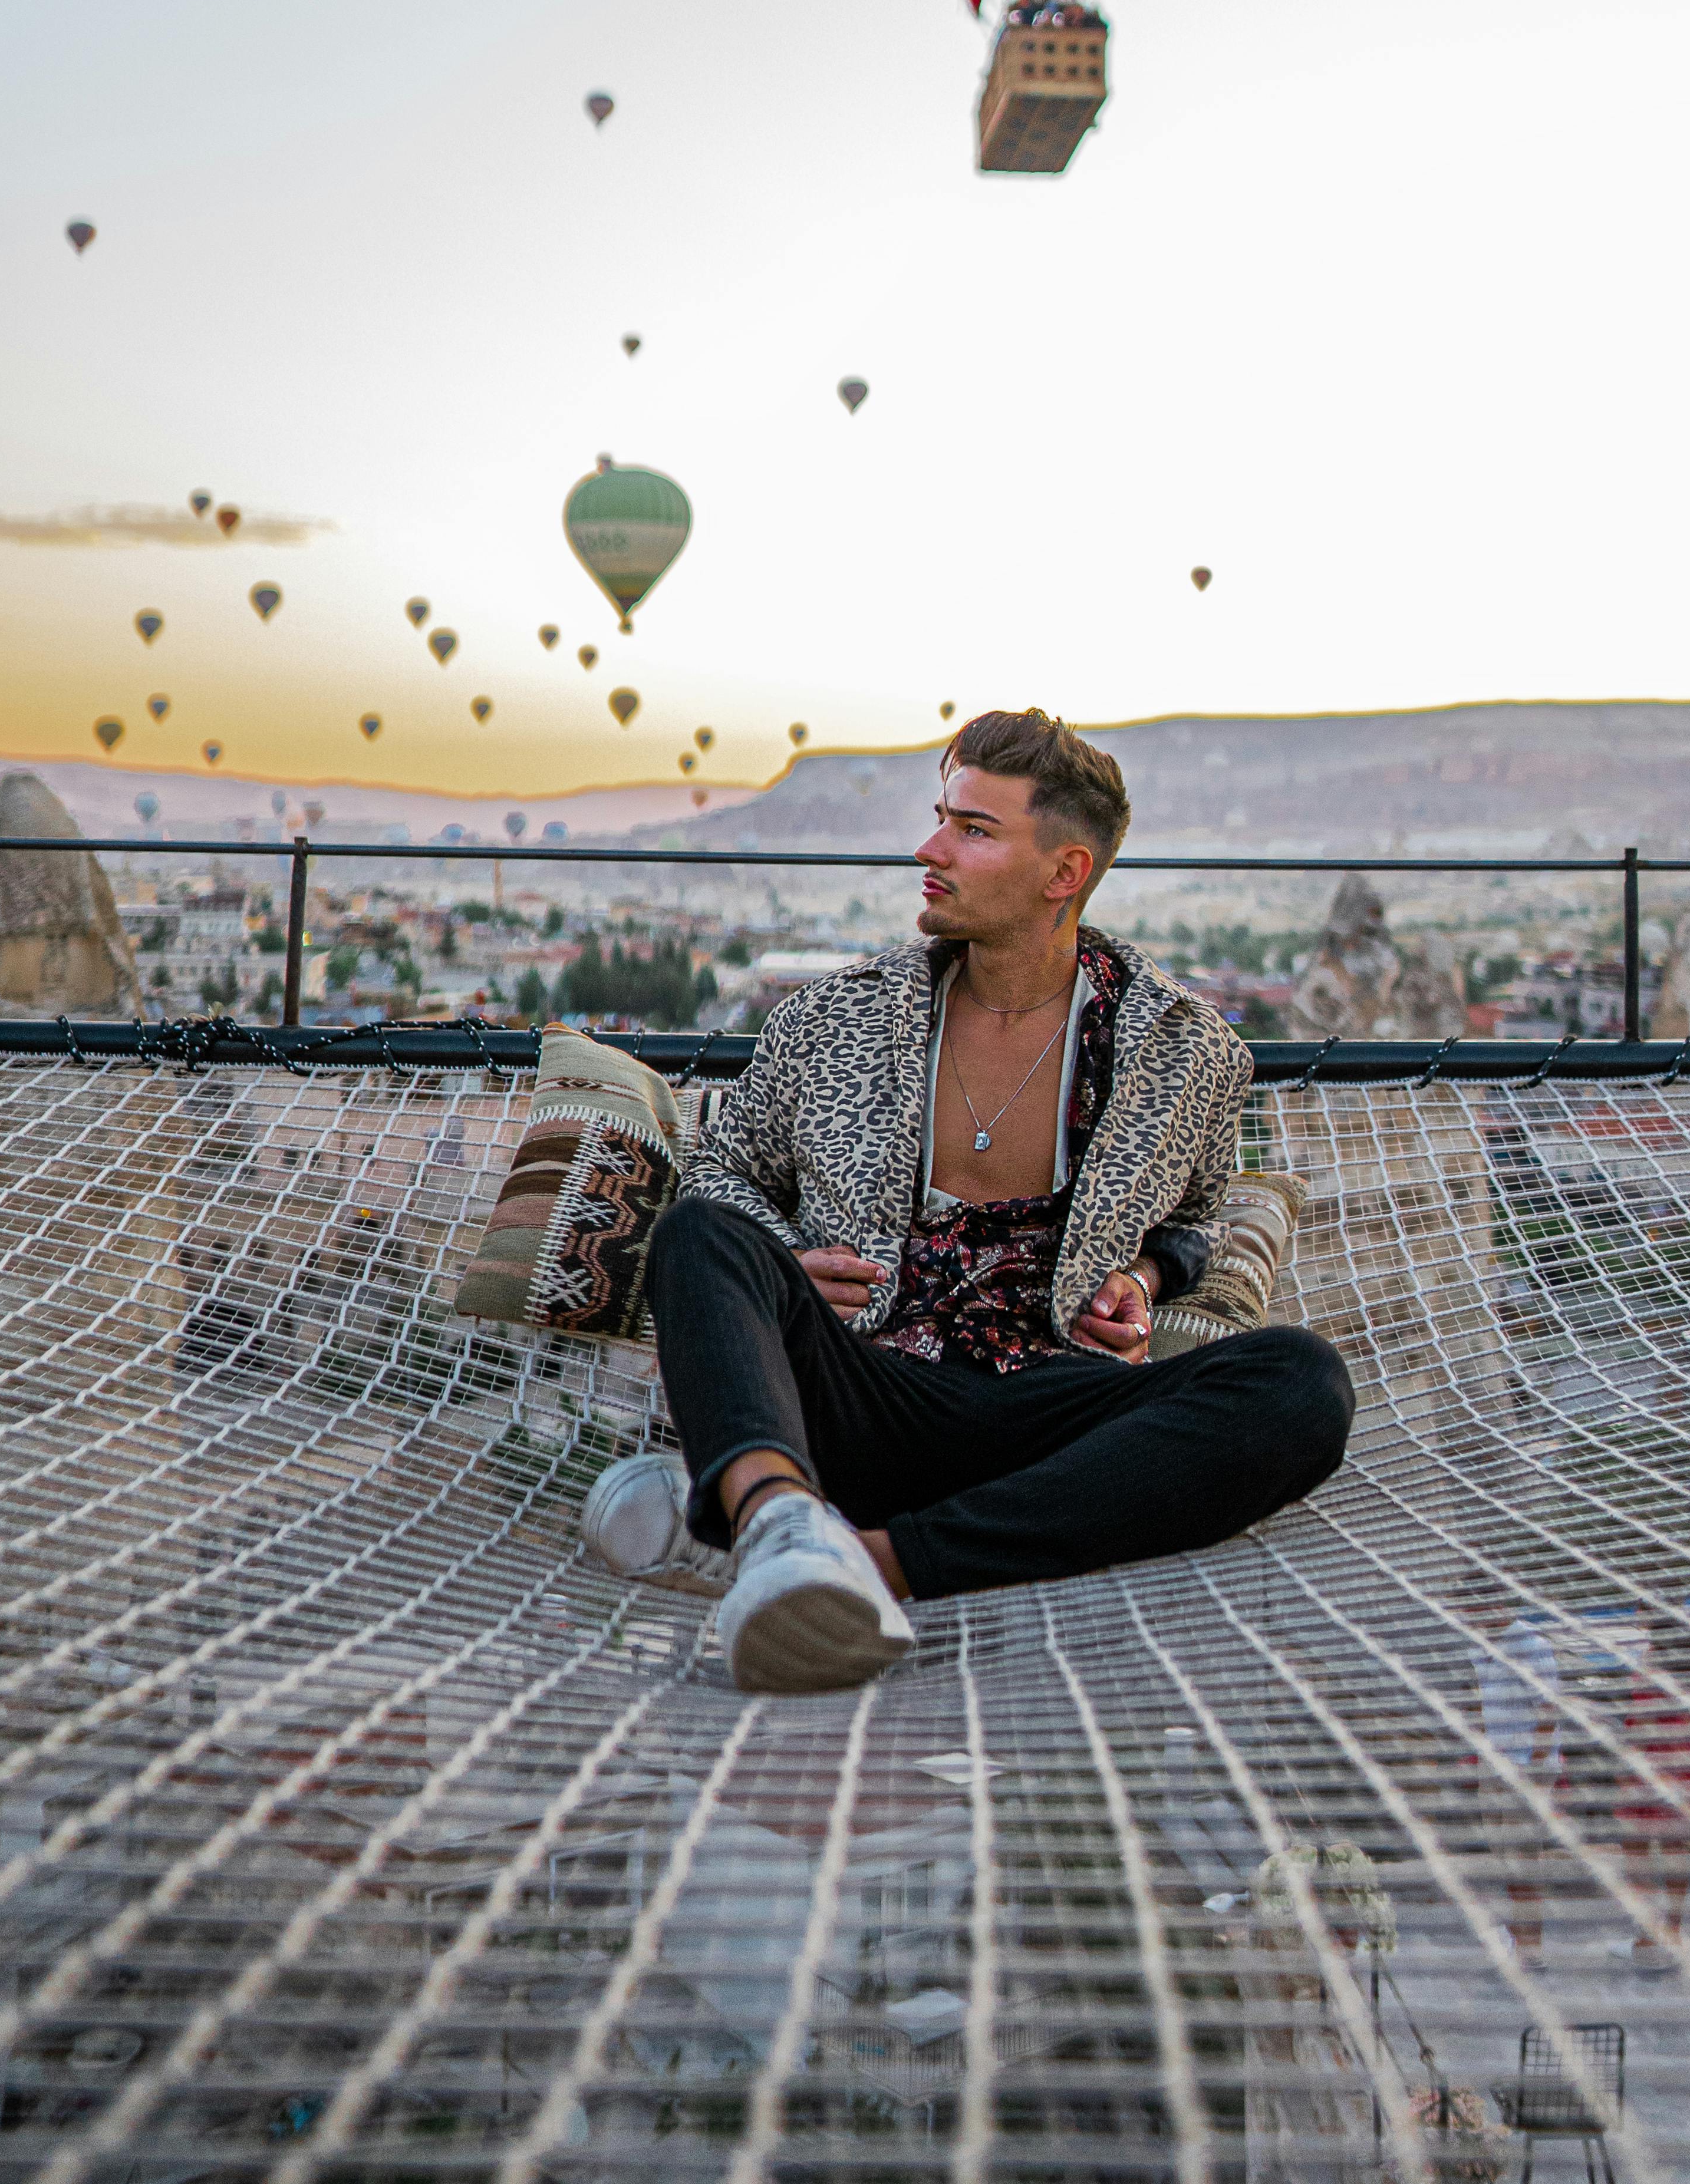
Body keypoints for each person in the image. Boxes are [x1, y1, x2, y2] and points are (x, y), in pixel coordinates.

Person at [580, 708, 1354, 1693]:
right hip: (865, 1390)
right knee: (701, 1230)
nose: (929, 847)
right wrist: (787, 1257)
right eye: (942, 817)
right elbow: (723, 1172)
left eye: (973, 829)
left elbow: (1197, 1217)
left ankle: (857, 1562)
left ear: (1063, 870)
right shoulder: (834, 1018)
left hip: (1055, 1414)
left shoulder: (1186, 1052)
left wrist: (1146, 1275)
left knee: (1304, 1383)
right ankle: (778, 1517)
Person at [1472, 1599, 1564, 1968]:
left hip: (1525, 1768)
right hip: (1494, 1763)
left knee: (1525, 1860)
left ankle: (1532, 1948)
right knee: (1504, 1857)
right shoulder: (1477, 1643)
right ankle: (1516, 1937)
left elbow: (1549, 1707)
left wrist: (1536, 1764)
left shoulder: (1532, 1645)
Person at [1616, 1608, 1690, 1967]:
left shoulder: (1654, 1660)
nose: (1637, 1614)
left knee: (1636, 1846)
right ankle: (1672, 1935)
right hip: (1682, 1761)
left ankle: (1649, 1939)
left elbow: (1645, 1721)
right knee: (1673, 1845)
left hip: (1652, 1764)